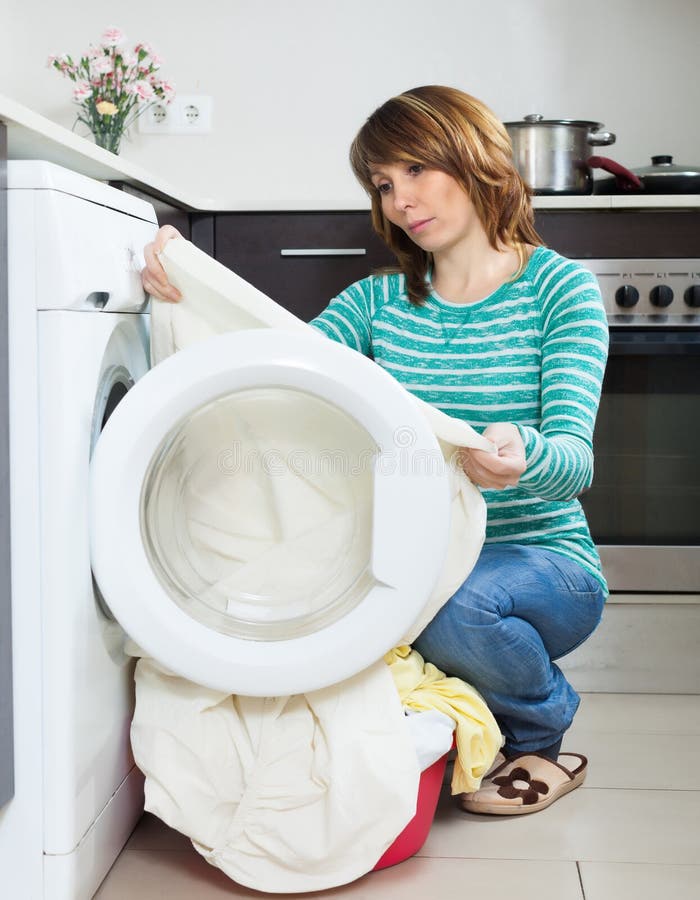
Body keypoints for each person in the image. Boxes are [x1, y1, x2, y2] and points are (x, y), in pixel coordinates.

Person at [141, 85, 609, 815]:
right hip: (420, 549)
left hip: (542, 562)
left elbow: (575, 462)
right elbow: (280, 369)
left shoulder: (560, 291)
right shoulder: (376, 302)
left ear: (475, 158)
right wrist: (187, 290)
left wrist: (527, 454)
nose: (400, 201)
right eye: (384, 185)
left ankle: (541, 732)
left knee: (457, 606)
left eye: (416, 172)